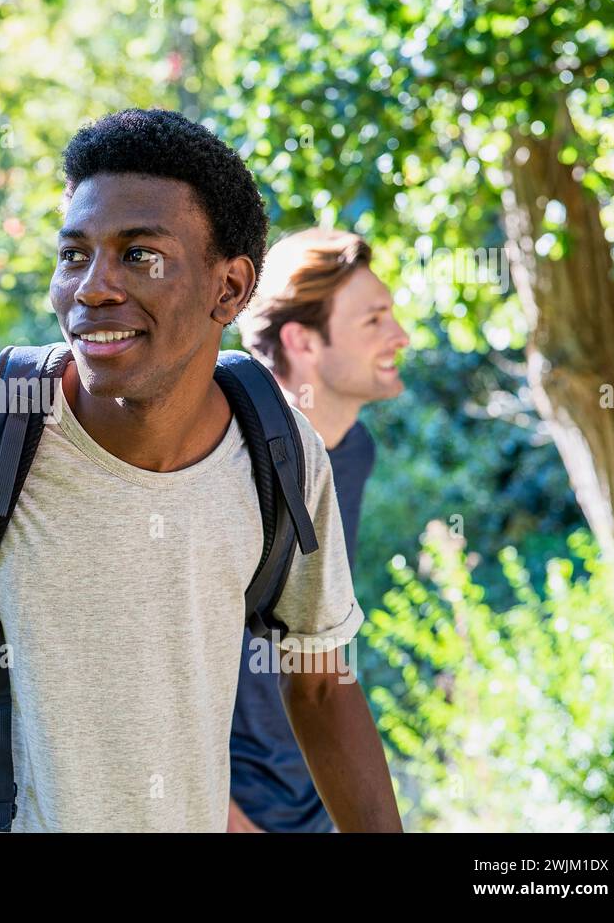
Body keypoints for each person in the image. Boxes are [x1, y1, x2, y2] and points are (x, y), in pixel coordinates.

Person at [0, 109, 402, 832]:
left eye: (139, 255)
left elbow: (324, 691)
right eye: (74, 254)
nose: (92, 288)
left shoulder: (283, 456)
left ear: (230, 289)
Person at [227, 228, 410, 832]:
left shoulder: (353, 451)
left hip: (316, 804)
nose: (400, 336)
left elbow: (316, 659)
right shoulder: (219, 458)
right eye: (373, 320)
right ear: (302, 340)